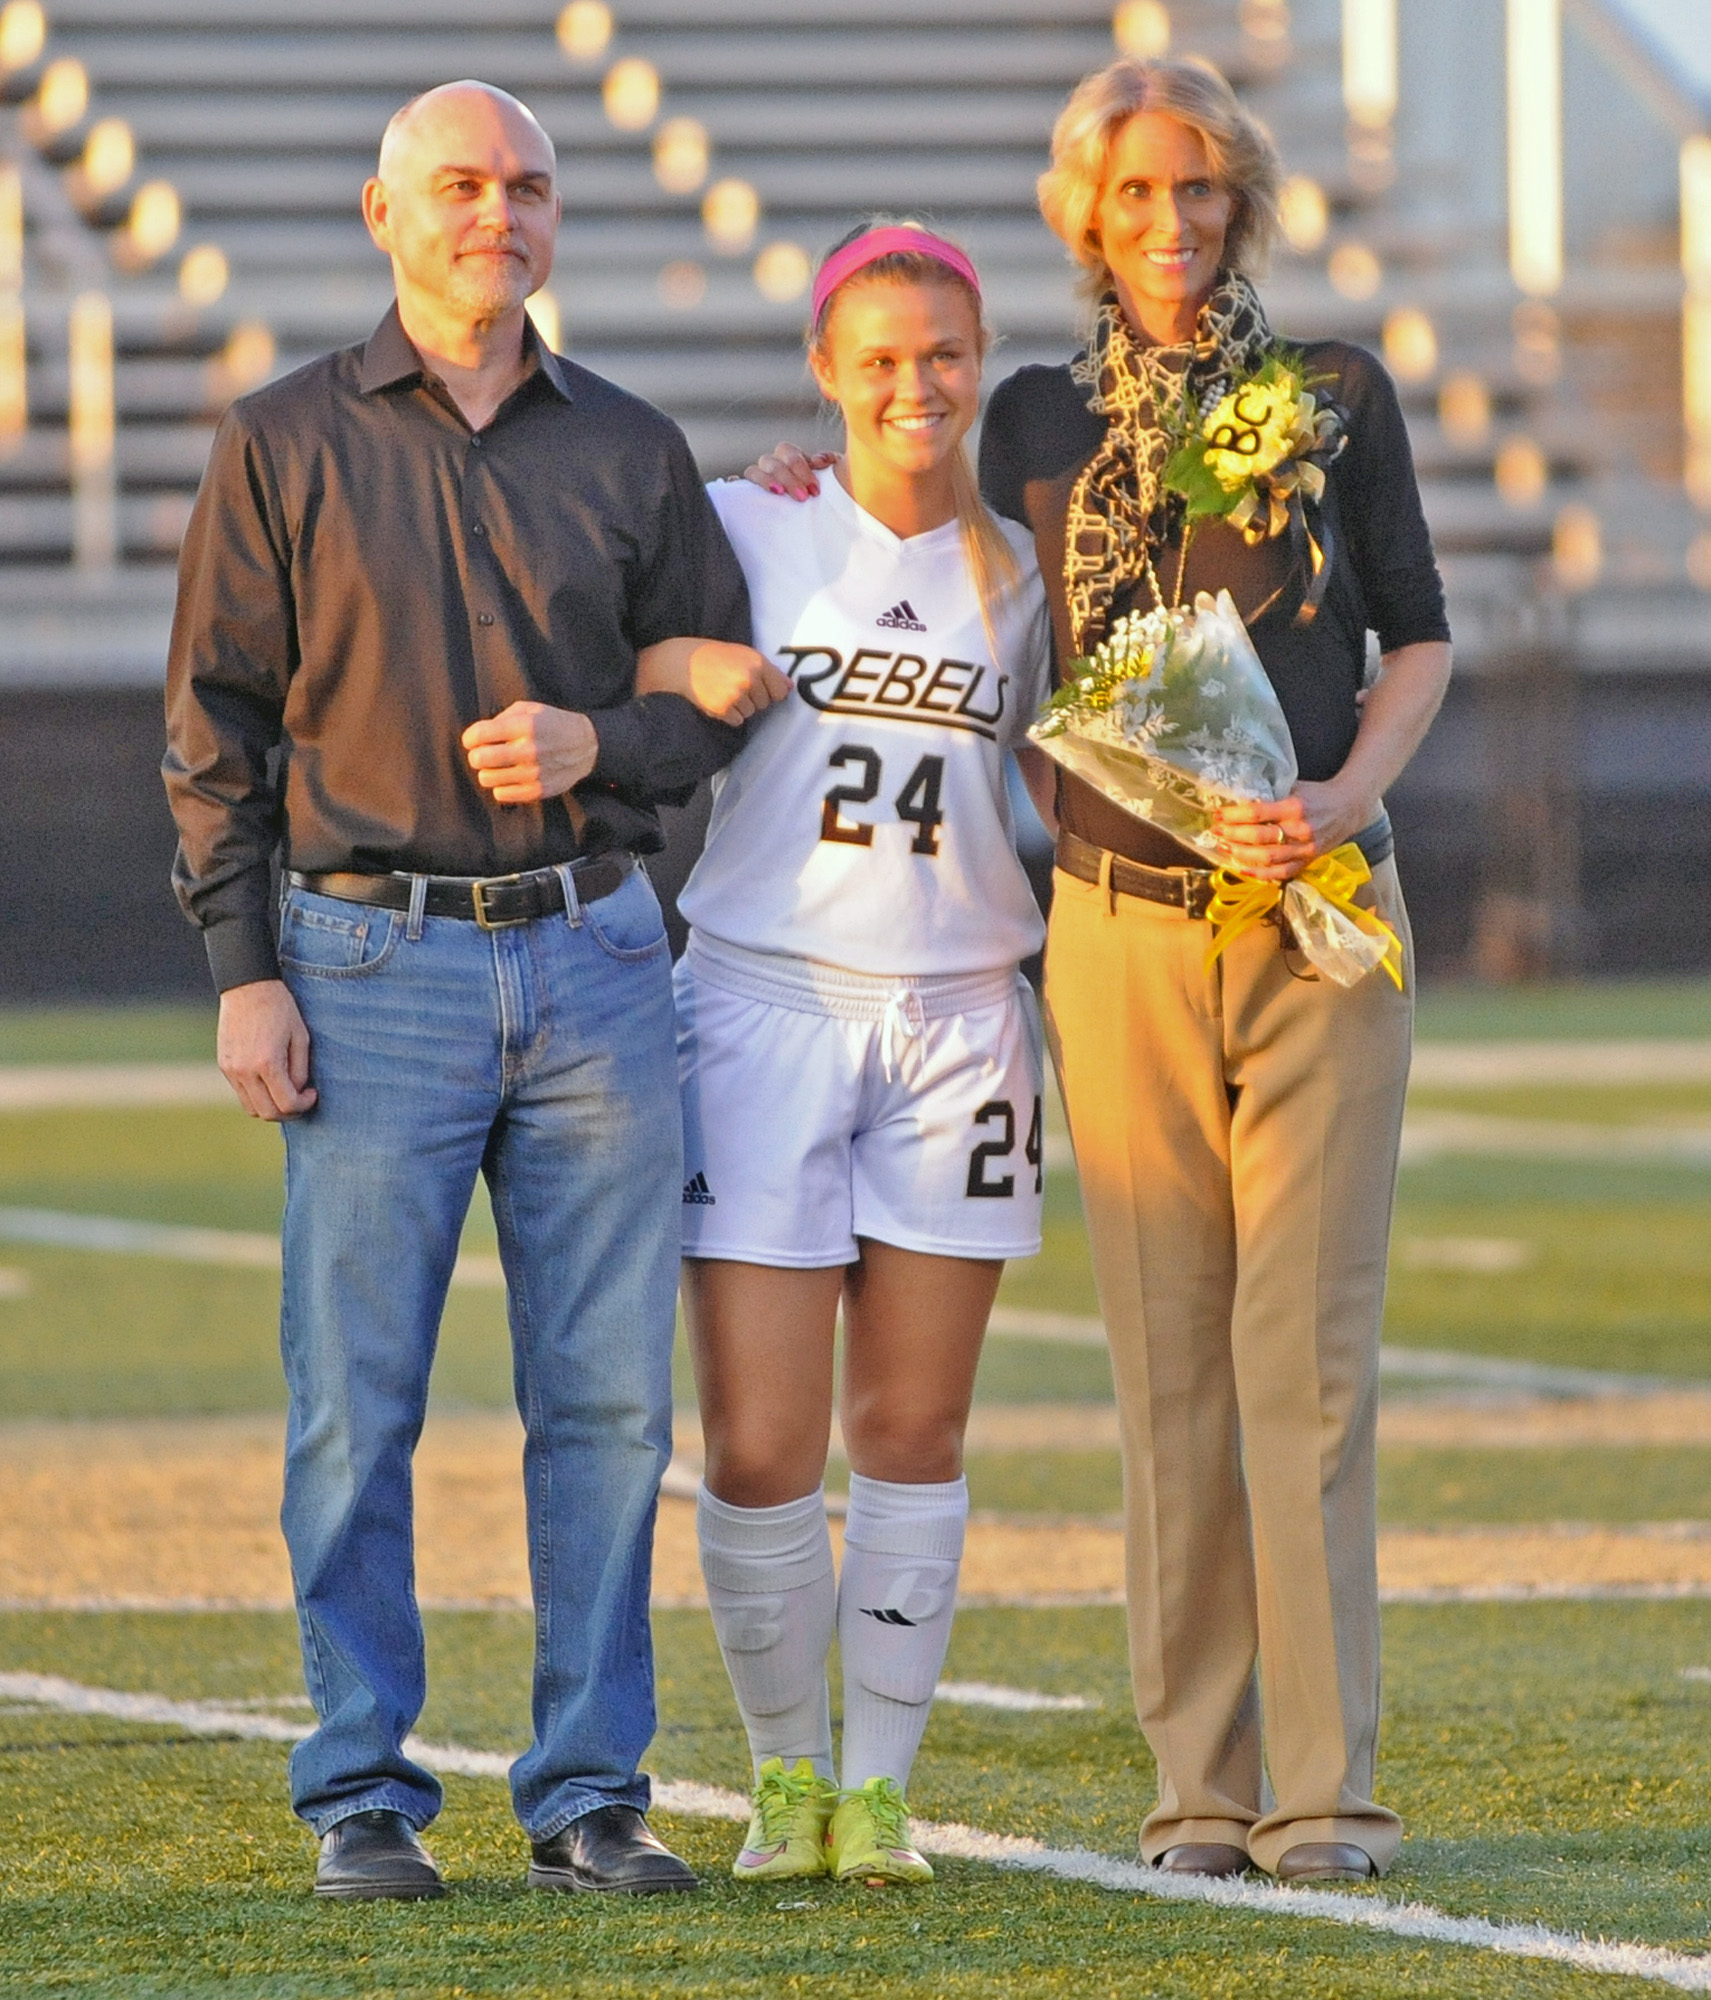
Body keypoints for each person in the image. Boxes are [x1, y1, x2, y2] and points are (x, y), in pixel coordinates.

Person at [748, 58, 1452, 1885]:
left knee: (1308, 1367)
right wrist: (800, 488)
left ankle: (1327, 1796)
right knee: (1172, 1377)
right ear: (1085, 214)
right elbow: (920, 526)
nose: (1170, 222)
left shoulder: (1339, 397)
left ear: (1243, 203)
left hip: (1321, 925)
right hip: (1118, 937)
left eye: (1200, 188)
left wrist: (1343, 796)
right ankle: (1200, 1795)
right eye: (1135, 193)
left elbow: (1419, 643)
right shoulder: (1038, 417)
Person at [162, 81, 762, 1901]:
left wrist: (608, 736)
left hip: (594, 957)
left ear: (555, 218)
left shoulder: (636, 449)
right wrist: (243, 972)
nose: (494, 211)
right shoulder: (279, 442)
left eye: (525, 187)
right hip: (365, 962)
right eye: (458, 185)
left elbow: (718, 697)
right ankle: (360, 1789)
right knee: (358, 1398)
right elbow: (215, 731)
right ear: (382, 212)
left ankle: (591, 1790)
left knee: (609, 1409)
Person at [640, 222, 1053, 1887]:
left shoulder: (1027, 568)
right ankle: (783, 1776)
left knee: (913, 1424)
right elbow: (623, 656)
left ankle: (880, 1796)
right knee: (752, 1444)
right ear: (826, 372)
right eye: (879, 359)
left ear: (977, 358)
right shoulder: (748, 520)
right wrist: (685, 659)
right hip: (760, 1001)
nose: (915, 386)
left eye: (942, 354)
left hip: (963, 1014)